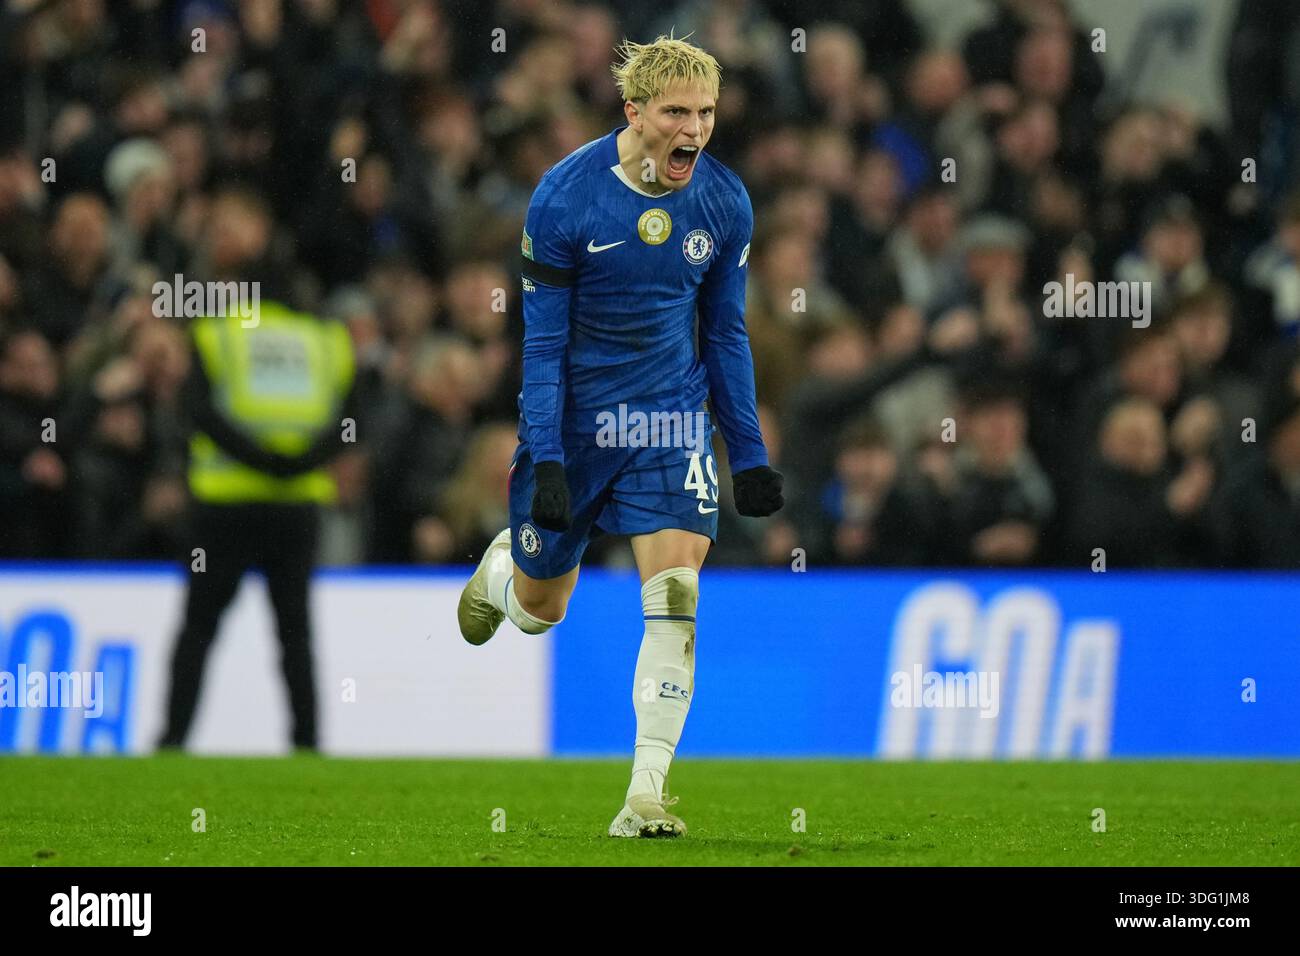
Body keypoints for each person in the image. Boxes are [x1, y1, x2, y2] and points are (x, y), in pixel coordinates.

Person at [456, 36, 783, 837]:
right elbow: (541, 345)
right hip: (576, 426)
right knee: (542, 610)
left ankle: (645, 794)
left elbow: (726, 332)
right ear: (634, 112)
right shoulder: (564, 198)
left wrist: (747, 454)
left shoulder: (724, 202)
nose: (694, 130)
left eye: (706, 113)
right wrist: (548, 456)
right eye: (676, 112)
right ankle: (503, 573)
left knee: (676, 596)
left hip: (670, 421)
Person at [157, 300, 357, 751]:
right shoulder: (327, 339)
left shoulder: (217, 333)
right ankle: (306, 743)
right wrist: (298, 463)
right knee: (295, 631)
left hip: (224, 504)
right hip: (297, 505)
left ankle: (172, 739)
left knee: (198, 626)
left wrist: (259, 460)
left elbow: (197, 410)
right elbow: (351, 421)